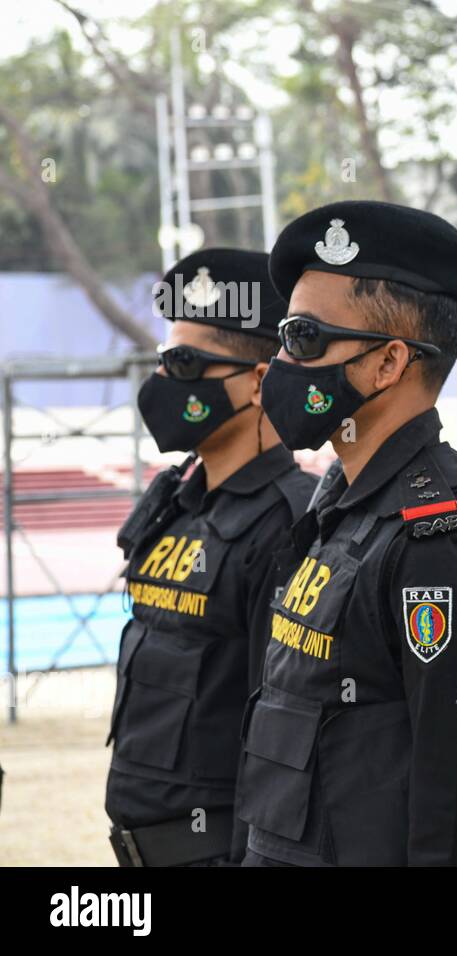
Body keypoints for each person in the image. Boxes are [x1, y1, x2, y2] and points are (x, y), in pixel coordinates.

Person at [237, 201, 457, 866]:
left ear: (388, 362)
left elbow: (447, 784)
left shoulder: (441, 534)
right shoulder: (338, 499)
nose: (279, 361)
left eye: (303, 338)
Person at [107, 248, 315, 866]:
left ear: (258, 381)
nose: (163, 382)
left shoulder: (287, 521)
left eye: (185, 362)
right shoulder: (178, 501)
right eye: (165, 360)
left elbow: (275, 726)